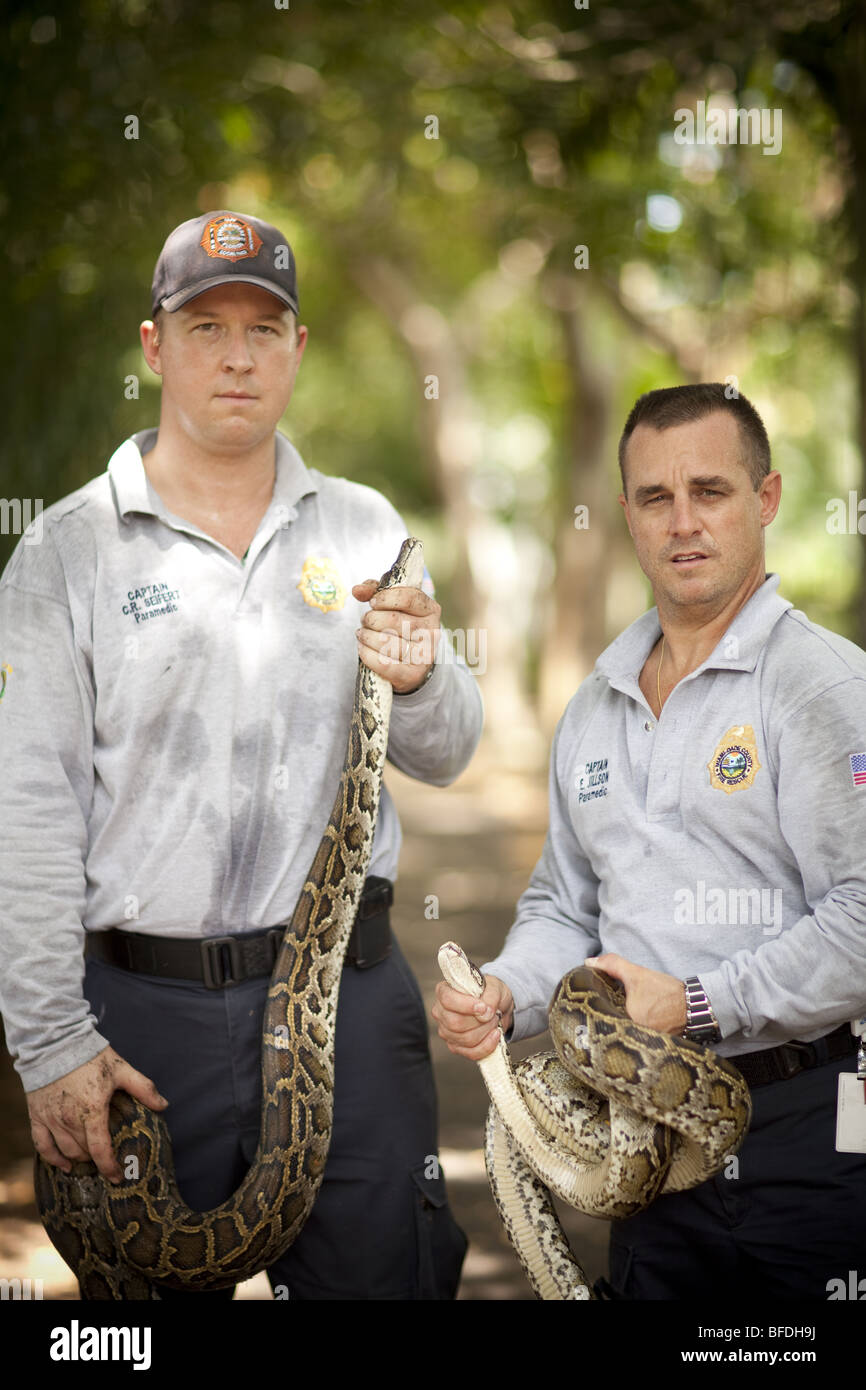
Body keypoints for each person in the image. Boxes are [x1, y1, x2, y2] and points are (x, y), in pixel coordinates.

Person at [0, 209, 483, 1300]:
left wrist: (418, 675)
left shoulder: (362, 528)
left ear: (297, 351)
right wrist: (49, 1045)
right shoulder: (64, 551)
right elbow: (25, 816)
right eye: (205, 325)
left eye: (263, 330)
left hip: (349, 1006)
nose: (235, 355)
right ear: (154, 345)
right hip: (137, 1019)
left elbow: (448, 751)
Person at [434, 382, 866, 1300]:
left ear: (767, 499)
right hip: (643, 1134)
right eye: (656, 498)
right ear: (625, 513)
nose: (684, 523)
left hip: (807, 1134)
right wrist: (511, 990)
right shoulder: (596, 703)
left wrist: (701, 1004)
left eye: (710, 491)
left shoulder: (823, 687)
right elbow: (566, 903)